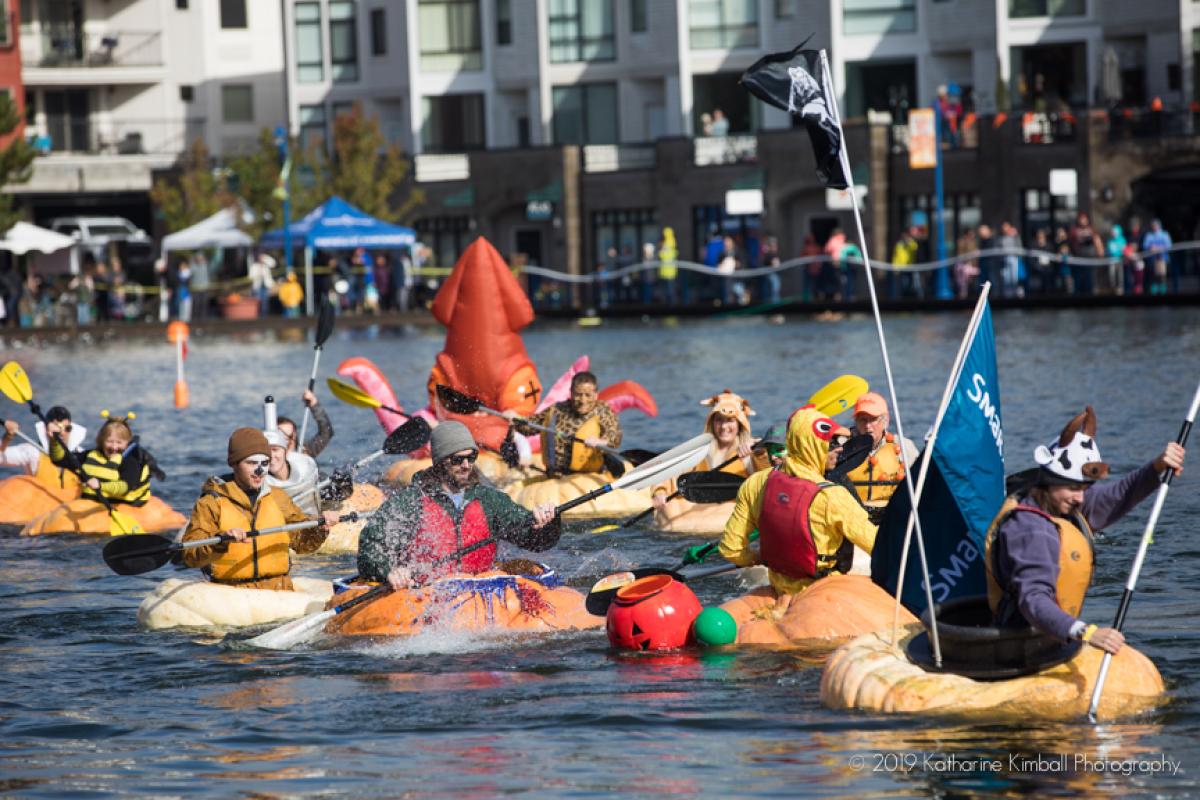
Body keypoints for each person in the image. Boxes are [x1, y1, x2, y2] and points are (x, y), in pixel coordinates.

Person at [985, 407, 1185, 655]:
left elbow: (1113, 498)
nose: (1081, 498)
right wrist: (1087, 632)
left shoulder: (1060, 502)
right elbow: (1033, 600)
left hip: (1055, 633)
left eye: (1085, 488)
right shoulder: (1030, 530)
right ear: (1049, 480)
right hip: (1022, 642)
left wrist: (1157, 467)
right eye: (1073, 488)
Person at [357, 421, 561, 590]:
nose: (466, 465)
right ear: (439, 461)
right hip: (426, 595)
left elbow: (535, 541)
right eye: (457, 460)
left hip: (482, 593)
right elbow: (371, 548)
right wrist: (389, 571)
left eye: (471, 457)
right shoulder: (409, 502)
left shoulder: (490, 500)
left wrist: (549, 522)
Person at [720, 405, 877, 596]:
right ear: (813, 447)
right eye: (832, 443)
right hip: (823, 593)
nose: (841, 449)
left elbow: (730, 549)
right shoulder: (834, 496)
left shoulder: (755, 484)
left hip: (778, 590)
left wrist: (760, 558)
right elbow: (879, 548)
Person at [181, 428, 334, 591]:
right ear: (234, 463)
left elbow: (303, 545)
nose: (260, 471)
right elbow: (190, 556)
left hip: (277, 589)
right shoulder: (211, 502)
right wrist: (221, 541)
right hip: (229, 592)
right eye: (252, 463)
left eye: (265, 463)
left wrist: (320, 528)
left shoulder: (278, 497)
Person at [651, 390, 768, 513]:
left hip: (733, 514)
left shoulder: (750, 450)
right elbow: (671, 473)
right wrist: (660, 491)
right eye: (719, 420)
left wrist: (760, 453)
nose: (723, 426)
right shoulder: (699, 451)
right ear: (711, 423)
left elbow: (765, 478)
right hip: (697, 516)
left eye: (730, 421)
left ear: (739, 424)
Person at [506, 371, 621, 476]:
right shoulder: (557, 409)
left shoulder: (603, 411)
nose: (583, 400)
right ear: (571, 393)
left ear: (596, 395)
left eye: (588, 395)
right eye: (578, 394)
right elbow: (529, 427)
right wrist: (515, 419)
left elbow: (614, 436)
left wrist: (600, 441)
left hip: (588, 475)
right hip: (555, 475)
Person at [53, 413, 163, 507]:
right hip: (90, 505)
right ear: (101, 441)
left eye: (119, 442)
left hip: (122, 506)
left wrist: (101, 486)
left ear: (127, 443)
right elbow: (59, 460)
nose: (114, 447)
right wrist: (55, 440)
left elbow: (125, 487)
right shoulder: (90, 455)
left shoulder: (130, 462)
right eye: (110, 441)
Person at [842, 392, 919, 518]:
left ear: (886, 420)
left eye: (873, 419)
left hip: (891, 517)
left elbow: (920, 484)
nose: (868, 426)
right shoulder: (841, 446)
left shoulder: (904, 447)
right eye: (862, 419)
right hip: (852, 517)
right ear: (855, 422)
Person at [0, 407, 86, 491]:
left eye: (67, 428)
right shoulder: (32, 452)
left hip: (72, 504)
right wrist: (8, 436)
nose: (62, 433)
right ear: (46, 429)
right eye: (57, 428)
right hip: (39, 503)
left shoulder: (81, 454)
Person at [264, 425, 320, 516]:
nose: (271, 455)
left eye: (275, 450)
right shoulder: (259, 483)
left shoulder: (306, 467)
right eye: (266, 451)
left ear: (286, 452)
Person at [276, 389, 335, 459]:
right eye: (282, 437)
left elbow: (326, 432)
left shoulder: (305, 452)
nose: (288, 442)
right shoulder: (268, 459)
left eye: (291, 436)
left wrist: (314, 404)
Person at [1142, 219, 1173, 295]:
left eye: (1156, 225)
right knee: (1153, 278)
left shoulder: (1164, 234)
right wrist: (1151, 247)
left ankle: (1163, 293)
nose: (1154, 227)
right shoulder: (1149, 235)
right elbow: (1145, 245)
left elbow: (1169, 245)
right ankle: (1154, 294)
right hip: (1152, 260)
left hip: (1162, 259)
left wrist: (1158, 248)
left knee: (1162, 277)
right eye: (1153, 225)